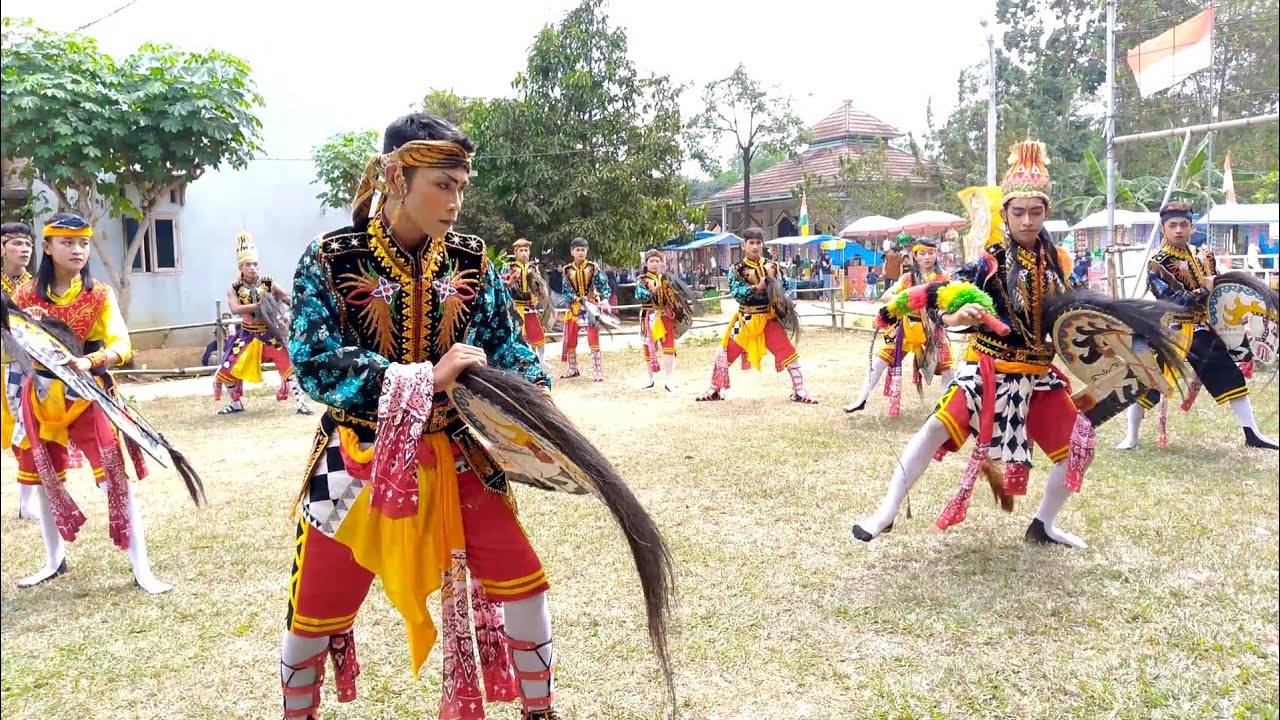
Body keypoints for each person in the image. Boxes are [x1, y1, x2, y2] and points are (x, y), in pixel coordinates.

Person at [282, 113, 568, 720]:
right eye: (444, 183)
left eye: (462, 185)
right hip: (358, 460)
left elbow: (506, 341)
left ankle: (540, 713)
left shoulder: (469, 257)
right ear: (395, 175)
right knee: (314, 612)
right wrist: (419, 379)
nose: (456, 201)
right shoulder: (332, 258)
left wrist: (534, 395)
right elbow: (314, 362)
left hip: (459, 453)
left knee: (524, 585)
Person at [851, 138, 1100, 549]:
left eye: (1035, 212)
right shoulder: (990, 261)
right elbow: (951, 296)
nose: (1027, 220)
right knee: (933, 429)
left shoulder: (1062, 264)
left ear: (1046, 213)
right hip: (988, 371)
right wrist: (956, 314)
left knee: (1080, 446)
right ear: (1005, 214)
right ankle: (887, 510)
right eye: (1018, 212)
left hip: (1037, 375)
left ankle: (1044, 524)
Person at [12, 213, 173, 593]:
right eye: (67, 242)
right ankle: (53, 560)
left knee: (114, 480)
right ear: (48, 247)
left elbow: (122, 345)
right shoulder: (24, 297)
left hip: (86, 393)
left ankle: (142, 569)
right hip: (39, 396)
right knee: (46, 482)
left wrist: (87, 361)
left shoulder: (98, 293)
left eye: (83, 243)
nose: (78, 250)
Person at [1115, 200, 1277, 451]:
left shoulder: (1205, 256)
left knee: (1230, 375)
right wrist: (1203, 290)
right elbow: (1169, 301)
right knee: (1147, 377)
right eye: (1173, 225)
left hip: (1204, 328)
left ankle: (1253, 433)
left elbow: (1219, 293)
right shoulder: (1158, 263)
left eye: (1183, 224)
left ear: (1191, 227)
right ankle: (1131, 435)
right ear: (1164, 229)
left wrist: (1235, 313)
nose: (1178, 230)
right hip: (1171, 329)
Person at [695, 227, 817, 404]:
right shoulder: (736, 269)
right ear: (744, 245)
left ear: (763, 244)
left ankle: (800, 391)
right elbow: (736, 293)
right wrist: (755, 288)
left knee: (789, 353)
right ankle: (714, 390)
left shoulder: (773, 266)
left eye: (758, 243)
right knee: (725, 353)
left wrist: (786, 298)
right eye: (751, 243)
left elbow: (784, 287)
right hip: (745, 320)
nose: (755, 246)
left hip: (769, 318)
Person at [844, 238, 955, 415]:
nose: (927, 257)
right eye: (922, 253)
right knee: (879, 362)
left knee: (948, 369)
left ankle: (948, 410)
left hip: (933, 329)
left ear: (936, 254)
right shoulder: (907, 279)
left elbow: (951, 302)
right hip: (906, 327)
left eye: (931, 253)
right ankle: (861, 398)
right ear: (915, 256)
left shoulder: (944, 278)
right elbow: (887, 296)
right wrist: (908, 296)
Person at [213, 230, 312, 416]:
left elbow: (284, 297)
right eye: (248, 264)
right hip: (247, 336)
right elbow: (234, 309)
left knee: (290, 367)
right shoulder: (234, 288)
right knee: (226, 370)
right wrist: (258, 305)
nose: (253, 268)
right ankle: (235, 403)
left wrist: (296, 305)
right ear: (241, 266)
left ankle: (301, 404)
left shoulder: (268, 283)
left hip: (270, 335)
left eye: (255, 264)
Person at [2, 221, 40, 520]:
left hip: (21, 366)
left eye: (28, 244)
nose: (24, 249)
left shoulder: (36, 287)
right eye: (17, 243)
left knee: (27, 428)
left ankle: (27, 501)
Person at [559, 237, 611, 381]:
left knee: (593, 337)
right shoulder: (567, 270)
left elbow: (603, 286)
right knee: (571, 338)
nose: (580, 253)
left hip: (591, 307)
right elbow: (566, 290)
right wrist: (575, 298)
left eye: (583, 250)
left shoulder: (593, 268)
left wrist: (604, 298)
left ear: (586, 251)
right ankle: (573, 368)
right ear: (572, 252)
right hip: (574, 308)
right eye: (578, 250)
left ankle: (597, 370)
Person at [635, 249, 682, 391]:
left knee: (669, 347)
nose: (655, 264)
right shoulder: (641, 279)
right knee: (649, 348)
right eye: (652, 261)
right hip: (648, 315)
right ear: (646, 263)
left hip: (665, 315)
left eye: (657, 261)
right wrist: (653, 290)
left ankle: (669, 381)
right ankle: (650, 380)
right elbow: (640, 295)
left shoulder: (666, 278)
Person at [504, 238, 548, 363]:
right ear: (515, 253)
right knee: (519, 335)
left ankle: (540, 361)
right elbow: (503, 285)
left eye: (526, 250)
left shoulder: (533, 268)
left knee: (537, 335)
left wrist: (540, 296)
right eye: (521, 250)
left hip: (530, 307)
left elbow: (540, 286)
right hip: (515, 307)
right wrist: (509, 282)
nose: (524, 253)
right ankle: (522, 360)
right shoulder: (509, 267)